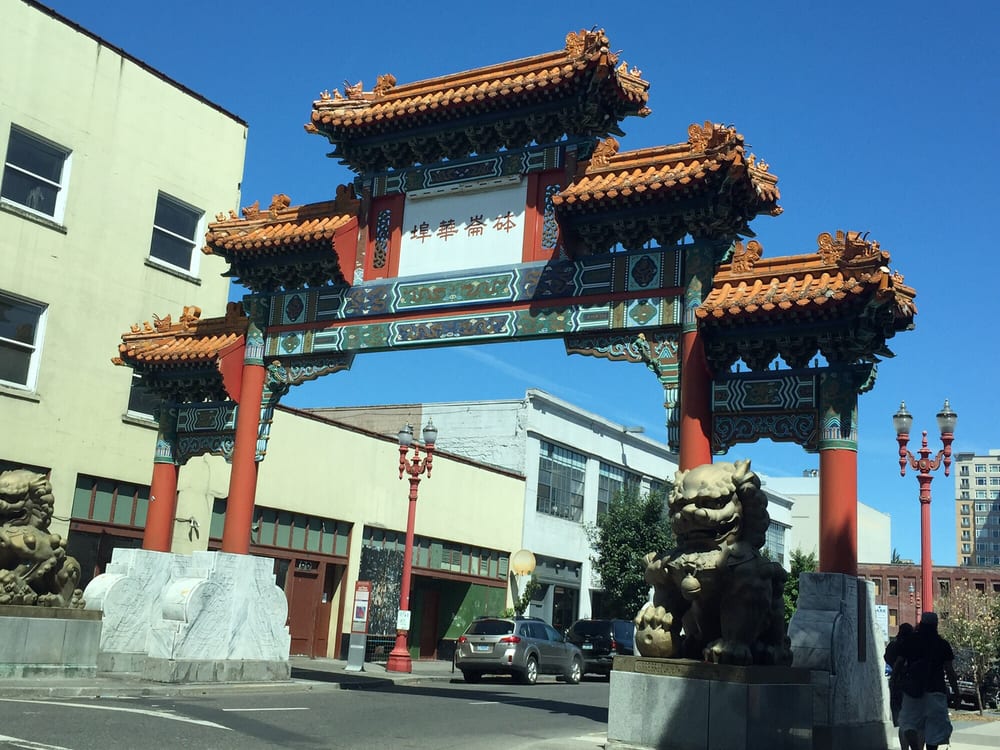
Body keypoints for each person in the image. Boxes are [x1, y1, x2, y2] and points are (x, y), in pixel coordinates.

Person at [894, 611, 960, 750]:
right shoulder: (942, 644)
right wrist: (956, 692)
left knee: (908, 724)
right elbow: (950, 671)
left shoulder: (910, 641)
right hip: (936, 691)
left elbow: (899, 663)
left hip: (913, 691)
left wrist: (894, 681)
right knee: (934, 731)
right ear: (936, 625)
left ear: (921, 624)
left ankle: (915, 747)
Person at [885, 622, 914, 749]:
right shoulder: (912, 647)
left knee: (902, 722)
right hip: (910, 686)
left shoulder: (893, 646)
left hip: (896, 686)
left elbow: (887, 658)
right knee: (913, 721)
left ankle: (904, 748)